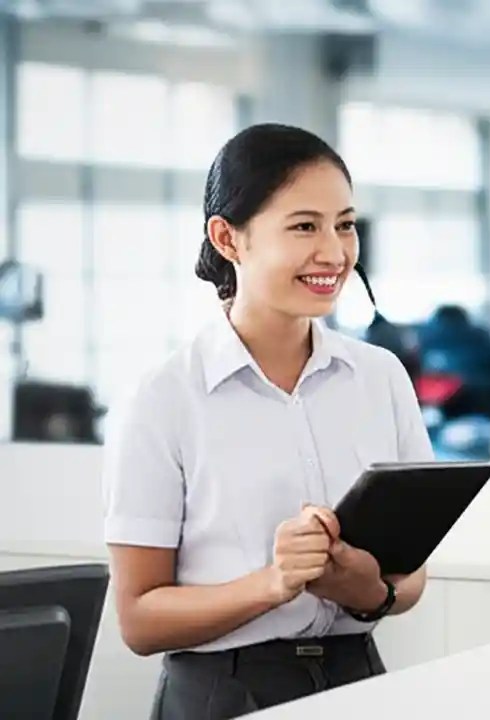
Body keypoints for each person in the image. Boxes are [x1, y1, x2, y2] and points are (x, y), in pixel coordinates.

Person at [102, 124, 433, 718]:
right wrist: (273, 583)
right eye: (304, 226)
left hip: (361, 681)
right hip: (223, 693)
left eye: (345, 224)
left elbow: (410, 578)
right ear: (228, 237)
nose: (334, 252)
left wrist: (368, 590)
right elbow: (140, 619)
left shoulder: (381, 378)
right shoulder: (165, 397)